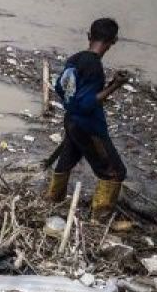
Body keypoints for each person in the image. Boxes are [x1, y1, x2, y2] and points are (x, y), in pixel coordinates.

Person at [47, 18, 130, 221]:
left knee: (67, 160)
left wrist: (104, 86)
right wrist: (115, 86)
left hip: (71, 121)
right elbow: (86, 103)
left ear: (88, 36)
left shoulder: (75, 59)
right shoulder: (94, 66)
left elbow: (60, 87)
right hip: (88, 126)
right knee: (114, 172)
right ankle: (99, 219)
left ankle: (52, 200)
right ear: (114, 40)